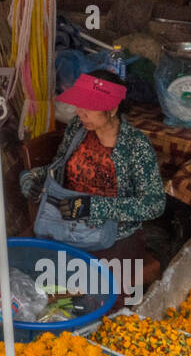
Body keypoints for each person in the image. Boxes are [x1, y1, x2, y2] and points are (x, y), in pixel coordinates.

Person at [20, 71, 165, 288]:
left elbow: (154, 204)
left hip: (113, 236)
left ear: (112, 109)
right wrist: (31, 178)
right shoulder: (77, 129)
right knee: (25, 272)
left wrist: (93, 206)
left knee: (92, 290)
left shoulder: (136, 146)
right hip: (66, 224)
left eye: (88, 106)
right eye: (79, 105)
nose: (80, 112)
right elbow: (57, 167)